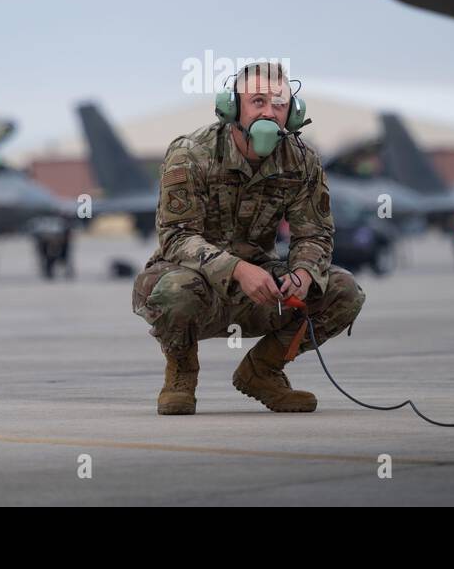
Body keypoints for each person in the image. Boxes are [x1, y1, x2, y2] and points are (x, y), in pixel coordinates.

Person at [132, 61, 365, 414]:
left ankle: (263, 372)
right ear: (231, 106)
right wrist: (238, 269)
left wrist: (302, 275)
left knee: (341, 291)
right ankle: (181, 371)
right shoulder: (191, 153)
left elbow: (315, 234)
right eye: (258, 101)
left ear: (294, 112)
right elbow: (177, 237)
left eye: (279, 104)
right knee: (173, 291)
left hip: (261, 288)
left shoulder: (301, 161)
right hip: (195, 283)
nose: (270, 113)